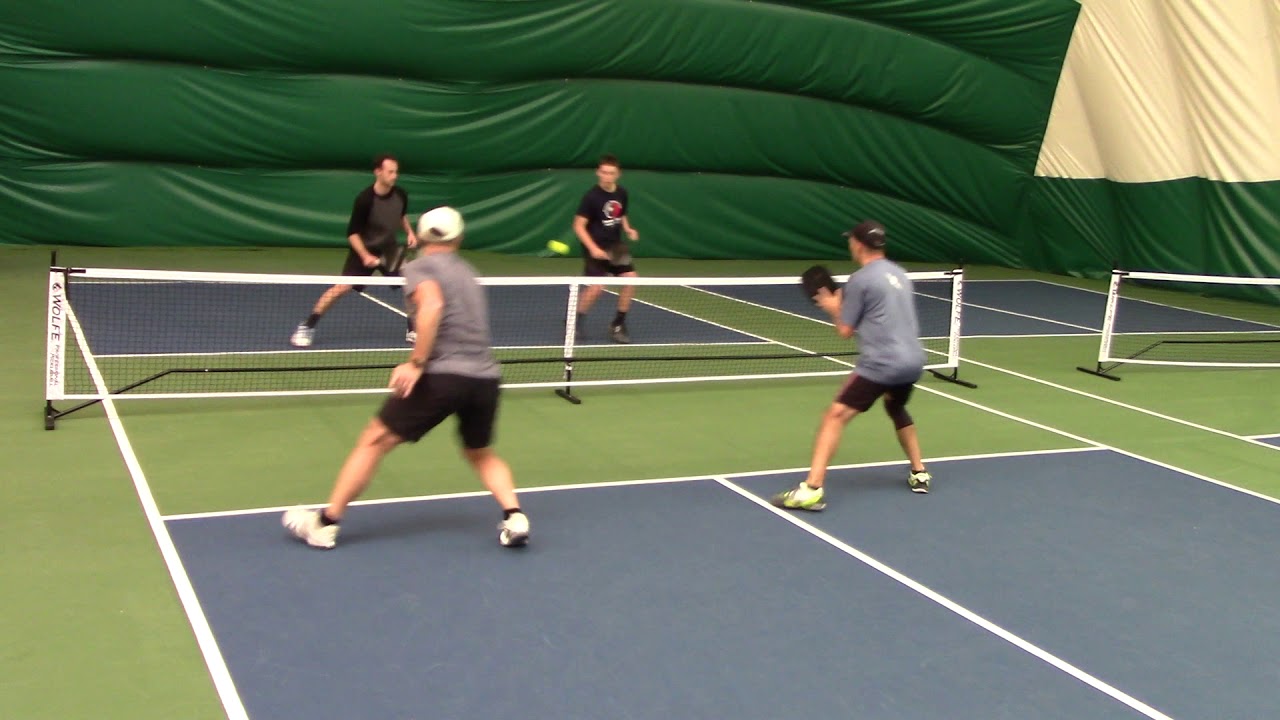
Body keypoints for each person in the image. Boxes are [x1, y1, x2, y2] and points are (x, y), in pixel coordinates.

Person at [282, 206, 529, 549]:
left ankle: (325, 524)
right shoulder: (468, 272)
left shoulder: (419, 266)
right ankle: (514, 515)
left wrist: (415, 362)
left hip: (444, 376)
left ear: (422, 237)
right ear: (459, 238)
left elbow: (431, 306)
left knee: (373, 440)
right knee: (480, 451)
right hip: (485, 379)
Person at [772, 220, 933, 511]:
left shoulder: (860, 279)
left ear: (858, 244)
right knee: (895, 405)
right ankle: (919, 472)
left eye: (850, 240)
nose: (849, 244)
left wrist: (834, 309)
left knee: (834, 416)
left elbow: (846, 329)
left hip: (883, 364)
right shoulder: (900, 274)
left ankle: (812, 489)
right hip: (914, 361)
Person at [290, 154, 419, 348]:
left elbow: (401, 215)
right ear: (378, 172)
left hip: (389, 249)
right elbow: (352, 233)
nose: (394, 176)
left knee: (411, 283)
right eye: (390, 172)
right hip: (364, 249)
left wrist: (410, 233)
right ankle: (307, 326)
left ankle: (413, 329)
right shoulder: (365, 200)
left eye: (396, 172)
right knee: (340, 288)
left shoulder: (401, 194)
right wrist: (366, 256)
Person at [573, 154, 640, 343]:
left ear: (618, 174)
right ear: (598, 173)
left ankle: (618, 324)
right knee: (596, 288)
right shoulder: (591, 197)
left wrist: (627, 228)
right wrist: (593, 248)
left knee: (632, 280)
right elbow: (578, 225)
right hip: (596, 246)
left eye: (611, 173)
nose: (607, 176)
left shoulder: (622, 193)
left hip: (616, 247)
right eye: (603, 172)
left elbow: (621, 213)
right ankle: (574, 322)